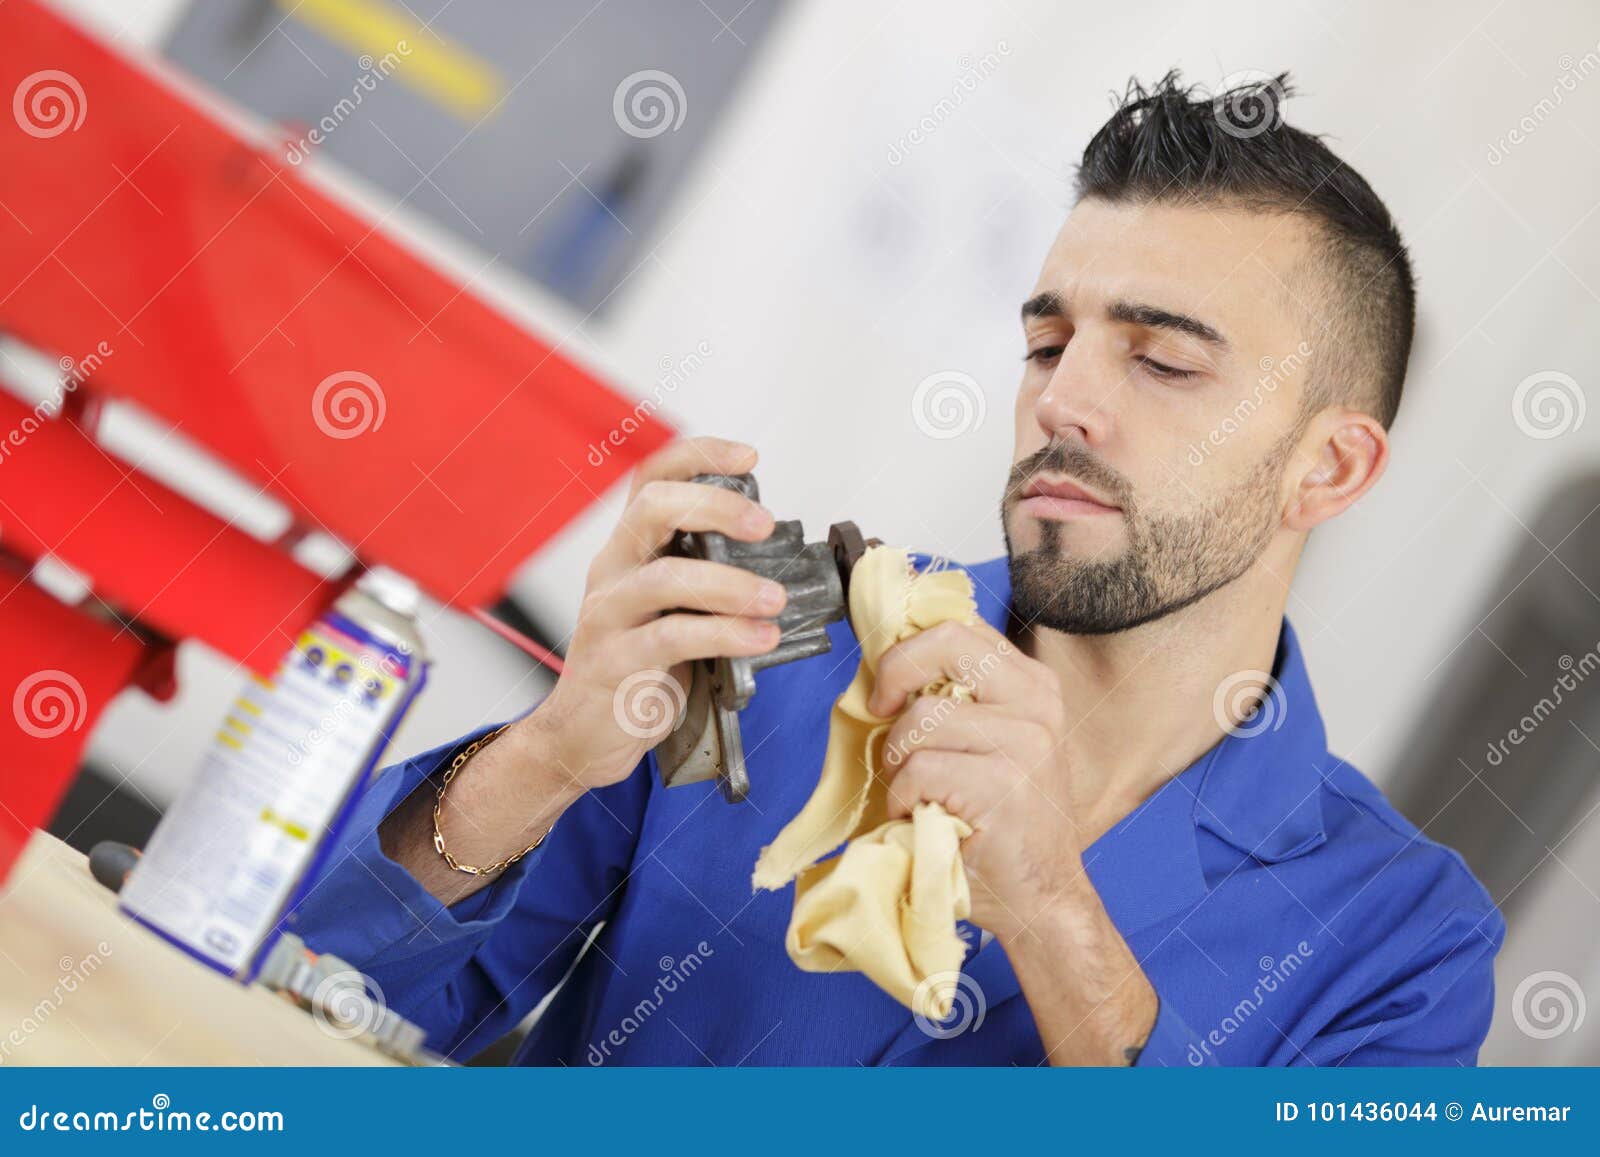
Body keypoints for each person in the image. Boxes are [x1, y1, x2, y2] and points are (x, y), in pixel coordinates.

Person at [290, 73, 1502, 1066]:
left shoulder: (1401, 941)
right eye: (1046, 341)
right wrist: (547, 756)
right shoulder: (775, 638)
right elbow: (304, 987)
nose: (1061, 400)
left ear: (1328, 468)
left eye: (1163, 362)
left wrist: (1045, 903)